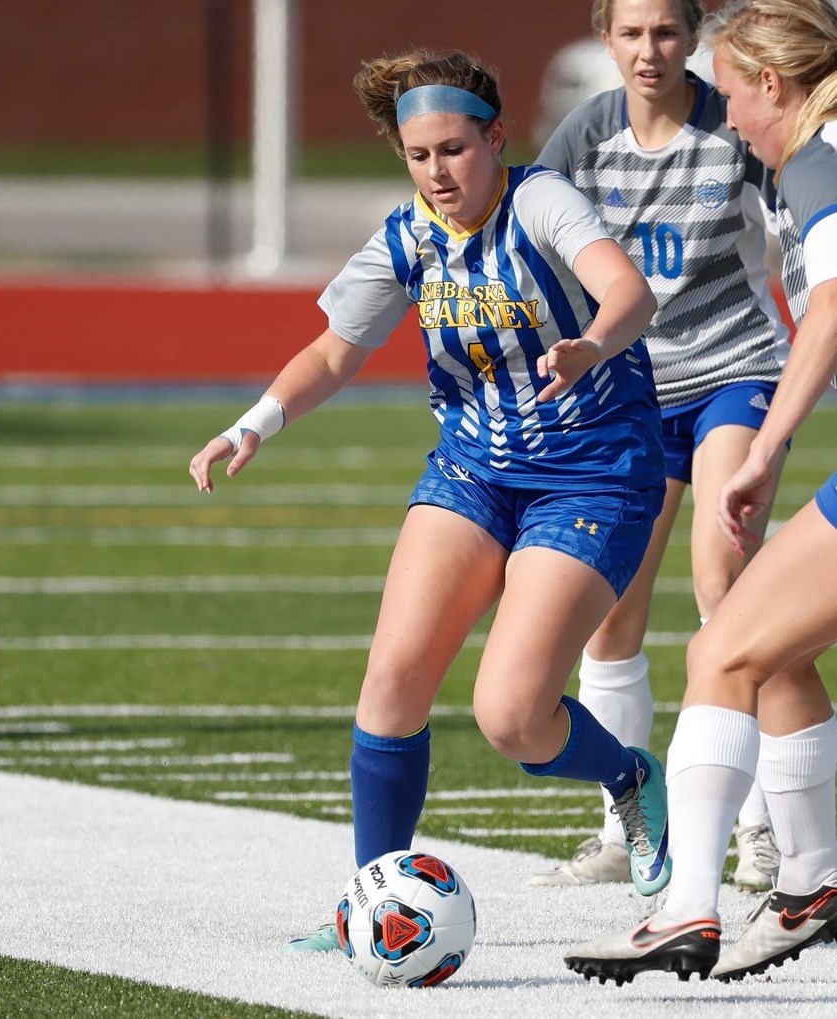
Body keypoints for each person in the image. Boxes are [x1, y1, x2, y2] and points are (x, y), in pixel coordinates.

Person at [189, 49, 672, 952]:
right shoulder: (408, 236)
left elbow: (628, 292)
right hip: (471, 472)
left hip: (593, 472)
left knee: (514, 716)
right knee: (391, 682)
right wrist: (256, 421)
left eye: (453, 149)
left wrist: (591, 346)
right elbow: (335, 350)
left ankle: (629, 775)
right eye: (418, 155)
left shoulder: (541, 202)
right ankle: (372, 901)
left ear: (496, 137)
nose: (437, 172)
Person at [564, 0, 837, 984]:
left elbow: (835, 307)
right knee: (765, 639)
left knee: (724, 642)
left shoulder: (812, 156)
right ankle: (808, 881)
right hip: (662, 392)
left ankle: (686, 911)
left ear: (772, 86)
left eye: (728, 91)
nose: (723, 113)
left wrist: (763, 447)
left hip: (735, 388)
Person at [530, 0, 792, 893]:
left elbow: (803, 208)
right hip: (634, 389)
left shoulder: (736, 123)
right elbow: (527, 235)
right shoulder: (585, 135)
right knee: (612, 609)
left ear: (696, 37)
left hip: (736, 371)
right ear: (605, 39)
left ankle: (761, 831)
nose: (650, 51)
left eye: (668, 32)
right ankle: (629, 828)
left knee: (724, 580)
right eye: (631, 33)